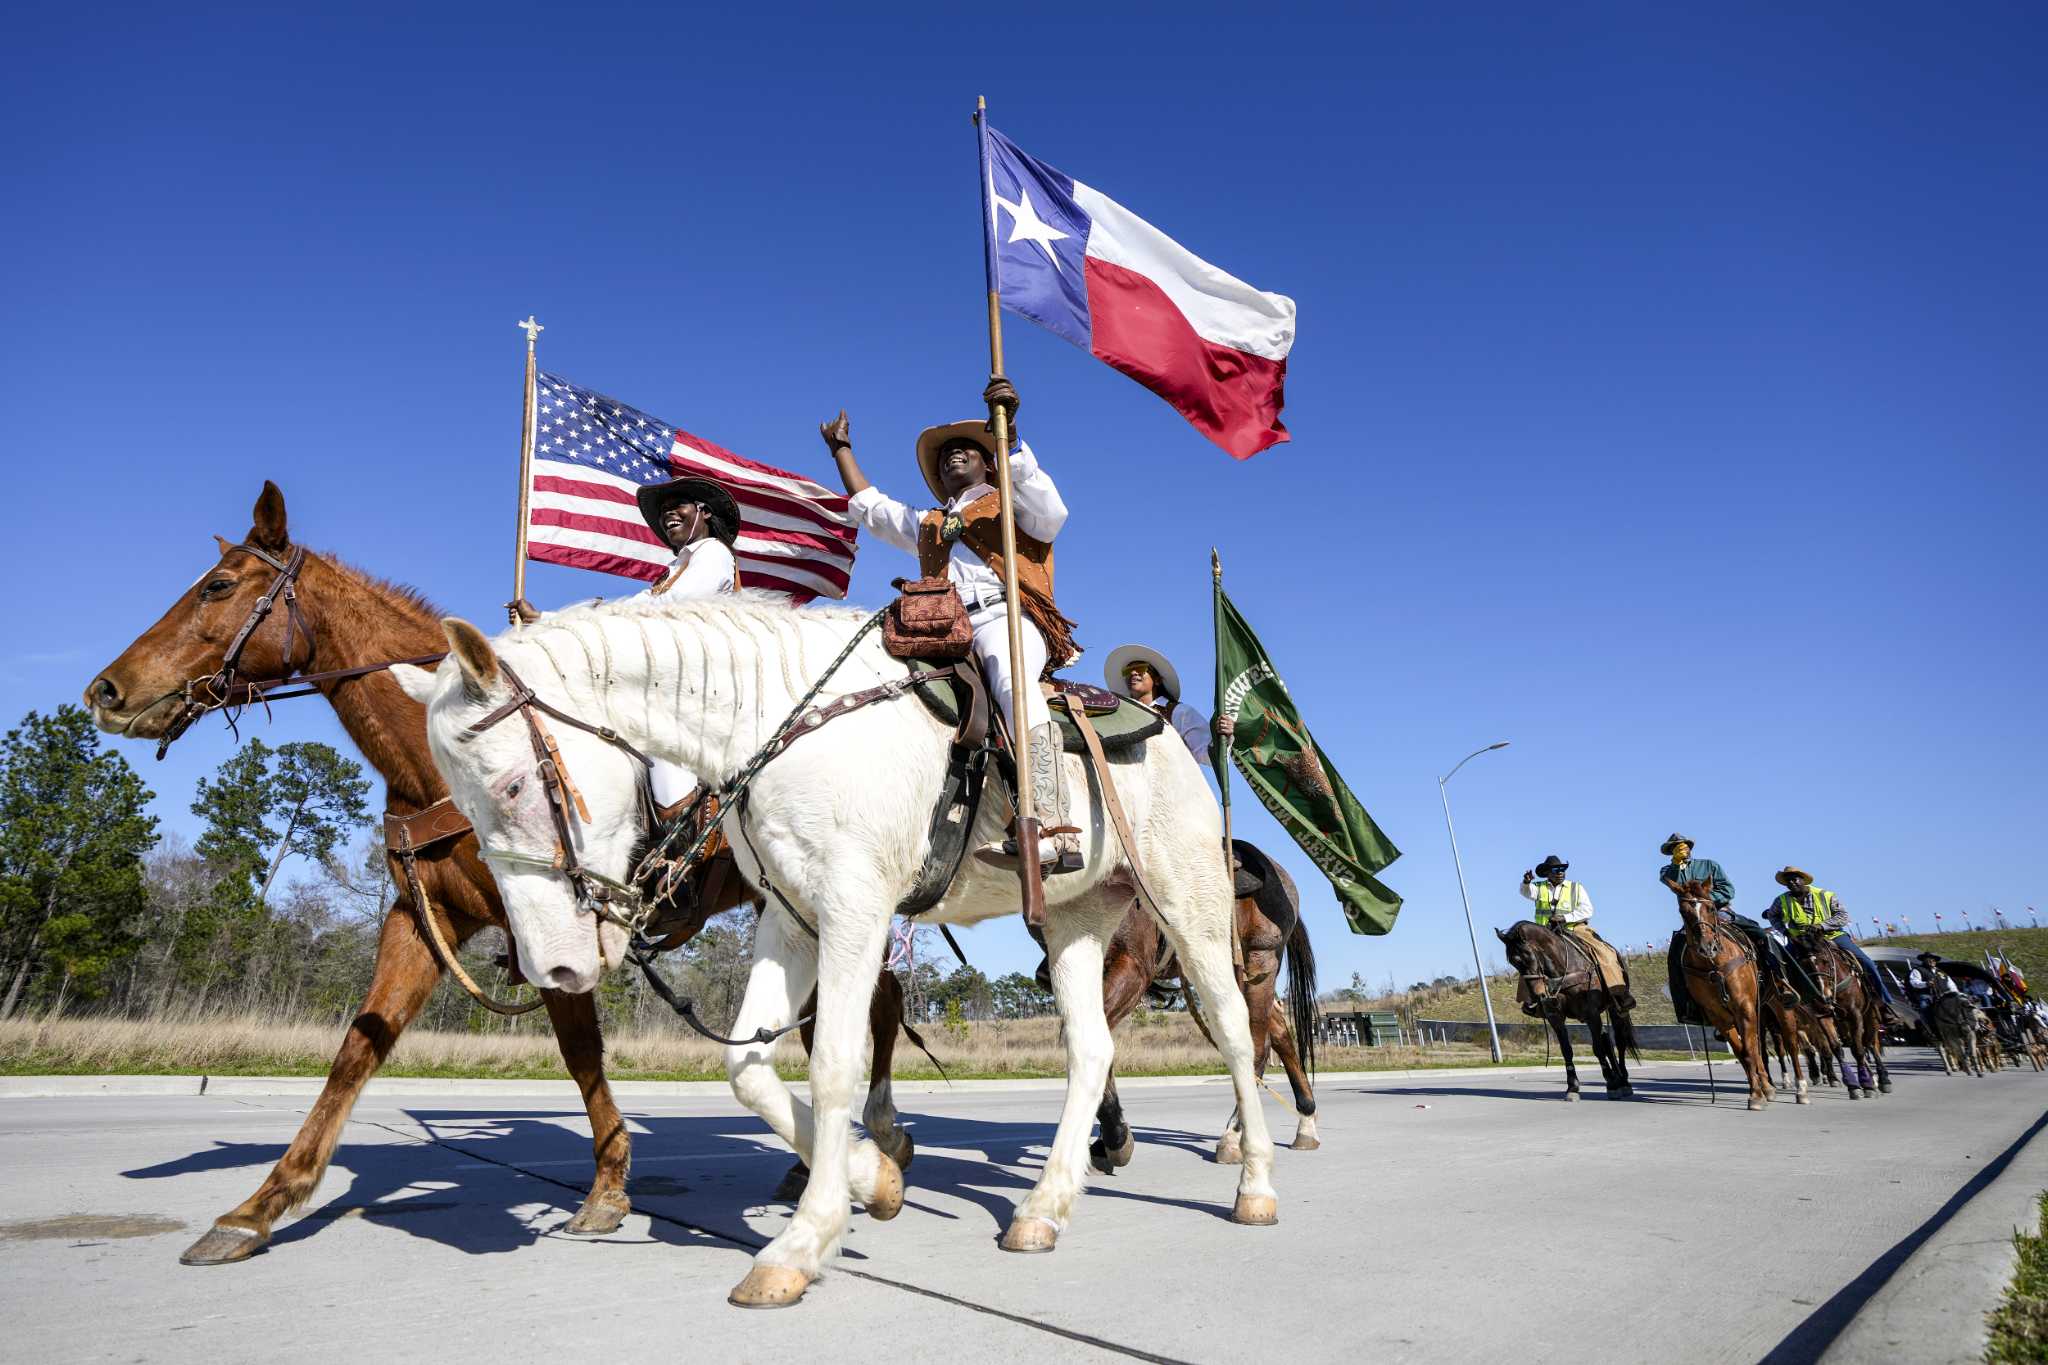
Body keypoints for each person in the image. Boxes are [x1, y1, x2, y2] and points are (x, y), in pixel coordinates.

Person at [825, 380, 1082, 873]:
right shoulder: (930, 524)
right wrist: (842, 451)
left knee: (1013, 686)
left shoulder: (1017, 501)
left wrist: (1011, 437)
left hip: (1005, 618)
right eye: (944, 458)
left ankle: (1053, 825)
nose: (952, 457)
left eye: (966, 450)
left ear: (990, 463)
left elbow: (1053, 515)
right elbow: (875, 512)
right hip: (943, 630)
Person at [508, 476, 741, 811]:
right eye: (663, 512)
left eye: (678, 506)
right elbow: (640, 605)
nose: (668, 515)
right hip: (667, 683)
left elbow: (668, 607)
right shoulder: (674, 569)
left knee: (664, 759)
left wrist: (587, 619)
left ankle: (683, 836)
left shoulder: (714, 553)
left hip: (696, 691)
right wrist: (545, 621)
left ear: (703, 512)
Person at [1658, 832, 1799, 1011]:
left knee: (1761, 934)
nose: (1681, 849)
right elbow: (1670, 881)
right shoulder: (1667, 871)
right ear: (1672, 852)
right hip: (1693, 919)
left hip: (1719, 911)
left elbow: (1728, 890)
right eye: (1676, 847)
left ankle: (1781, 982)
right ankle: (1686, 1004)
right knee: (1675, 952)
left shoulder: (1709, 865)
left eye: (1684, 846)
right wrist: (1677, 865)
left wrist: (1705, 900)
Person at [1767, 866, 1899, 1016]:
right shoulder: (1781, 900)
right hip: (1801, 941)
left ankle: (1884, 1003)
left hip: (1832, 936)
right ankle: (1794, 999)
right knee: (1781, 965)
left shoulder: (1826, 895)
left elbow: (1843, 916)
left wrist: (1822, 926)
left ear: (1803, 879)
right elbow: (1772, 916)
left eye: (1795, 879)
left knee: (1867, 963)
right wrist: (1785, 932)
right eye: (1788, 881)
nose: (1792, 883)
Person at [1519, 855, 1635, 1010]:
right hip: (1546, 934)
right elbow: (1526, 892)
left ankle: (1618, 992)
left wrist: (1565, 918)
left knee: (1604, 952)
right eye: (1556, 869)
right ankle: (1531, 1002)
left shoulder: (1576, 887)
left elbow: (1588, 910)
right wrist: (1526, 882)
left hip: (1575, 929)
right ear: (1547, 872)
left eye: (1563, 869)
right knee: (1527, 957)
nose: (1560, 872)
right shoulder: (1539, 888)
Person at [1104, 643, 1232, 768]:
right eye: (1128, 671)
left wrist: (1224, 737)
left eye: (1140, 668)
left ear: (1158, 680)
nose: (1132, 673)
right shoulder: (1121, 716)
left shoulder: (1180, 713)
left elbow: (1209, 757)